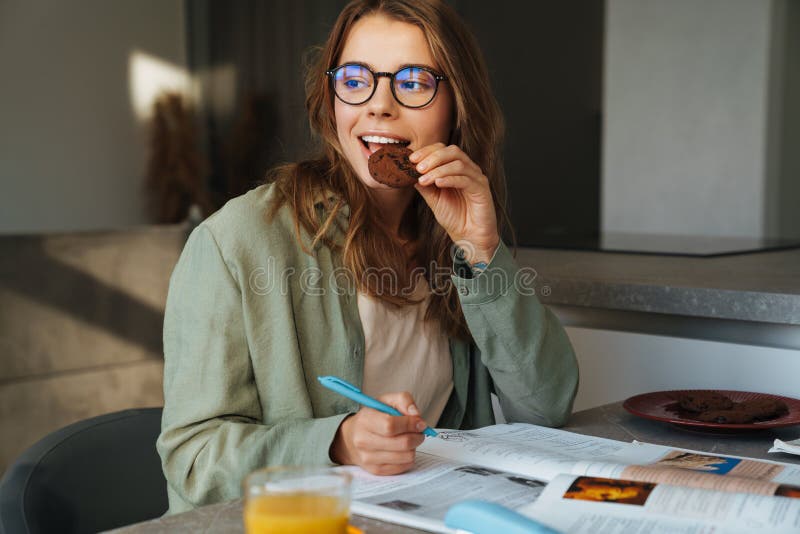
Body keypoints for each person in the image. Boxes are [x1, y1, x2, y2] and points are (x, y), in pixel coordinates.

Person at [157, 0, 579, 514]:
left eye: (413, 81)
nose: (378, 105)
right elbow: (193, 461)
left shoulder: (452, 231)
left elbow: (546, 407)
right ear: (331, 97)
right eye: (356, 80)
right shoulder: (235, 241)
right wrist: (337, 444)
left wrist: (482, 253)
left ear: (457, 105)